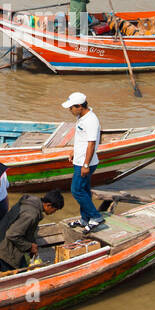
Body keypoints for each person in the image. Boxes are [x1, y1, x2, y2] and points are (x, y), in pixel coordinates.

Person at [0, 191, 64, 274]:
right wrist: (29, 246)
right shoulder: (31, 215)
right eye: (55, 210)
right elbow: (12, 235)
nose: (53, 213)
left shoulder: (32, 201)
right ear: (48, 205)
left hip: (0, 238)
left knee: (24, 267)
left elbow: (27, 231)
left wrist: (32, 245)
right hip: (3, 246)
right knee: (15, 275)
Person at [63, 91, 105, 232]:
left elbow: (92, 143)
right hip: (80, 160)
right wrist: (74, 151)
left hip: (85, 163)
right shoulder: (82, 117)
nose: (70, 110)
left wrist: (86, 164)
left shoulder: (91, 120)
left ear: (80, 106)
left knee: (76, 190)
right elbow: (82, 138)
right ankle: (85, 218)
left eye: (72, 108)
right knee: (84, 190)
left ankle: (95, 217)